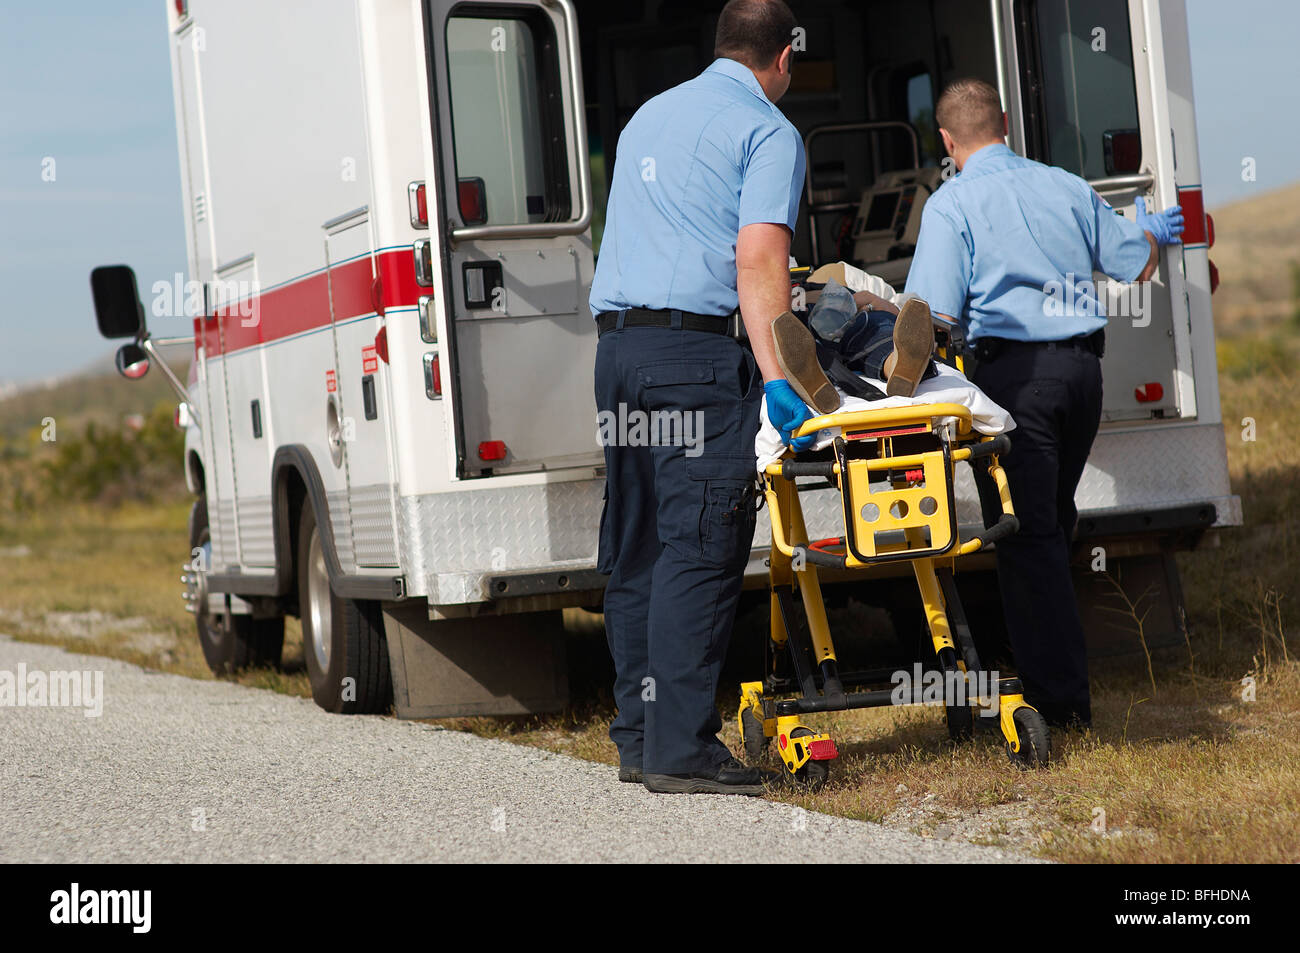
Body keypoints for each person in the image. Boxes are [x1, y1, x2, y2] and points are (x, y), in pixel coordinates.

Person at [903, 78, 1184, 730]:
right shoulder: (1066, 185)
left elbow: (929, 318)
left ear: (946, 141)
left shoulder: (951, 204)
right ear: (1004, 121)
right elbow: (1134, 264)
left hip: (1017, 380)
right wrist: (1149, 234)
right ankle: (1049, 670)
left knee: (1027, 538)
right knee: (1050, 524)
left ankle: (1060, 708)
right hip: (1083, 375)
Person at [590, 0, 814, 795]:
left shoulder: (649, 115)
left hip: (620, 353)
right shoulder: (767, 132)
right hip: (693, 357)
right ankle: (681, 747)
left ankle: (642, 735)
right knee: (700, 540)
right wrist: (782, 379)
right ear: (784, 56)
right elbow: (758, 263)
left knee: (640, 538)